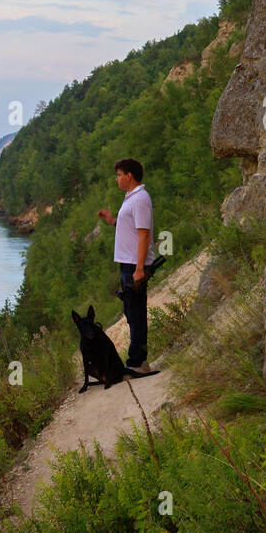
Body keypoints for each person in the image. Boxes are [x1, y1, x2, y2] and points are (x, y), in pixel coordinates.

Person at [96, 158, 155, 373]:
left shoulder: (140, 199)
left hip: (134, 266)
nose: (117, 178)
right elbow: (130, 228)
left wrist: (140, 268)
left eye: (119, 174)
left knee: (137, 314)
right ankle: (137, 360)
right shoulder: (131, 198)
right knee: (131, 313)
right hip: (127, 264)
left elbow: (144, 234)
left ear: (129, 175)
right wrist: (112, 220)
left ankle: (138, 362)